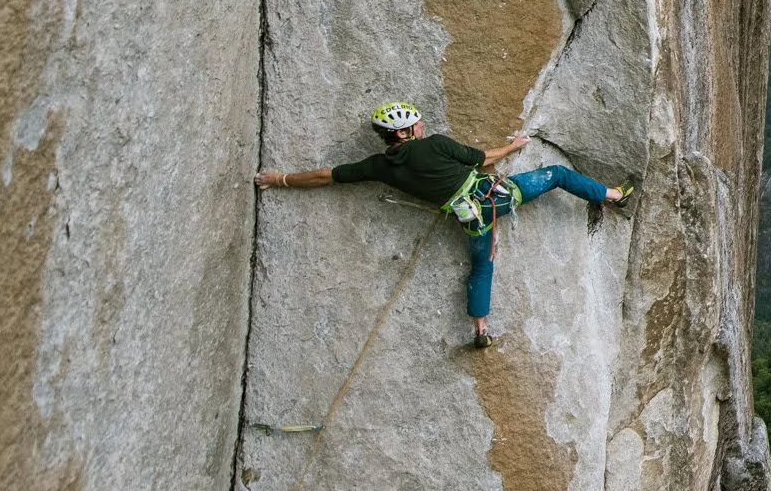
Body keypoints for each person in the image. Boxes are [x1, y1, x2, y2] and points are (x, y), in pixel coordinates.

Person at [254, 101, 630, 348]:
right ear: (404, 132)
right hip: (499, 196)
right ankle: (613, 195)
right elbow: (483, 158)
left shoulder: (377, 166)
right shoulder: (434, 144)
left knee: (482, 266)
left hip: (470, 219)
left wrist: (280, 179)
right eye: (416, 125)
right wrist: (515, 146)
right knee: (558, 174)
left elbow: (327, 176)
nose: (421, 127)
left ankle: (480, 329)